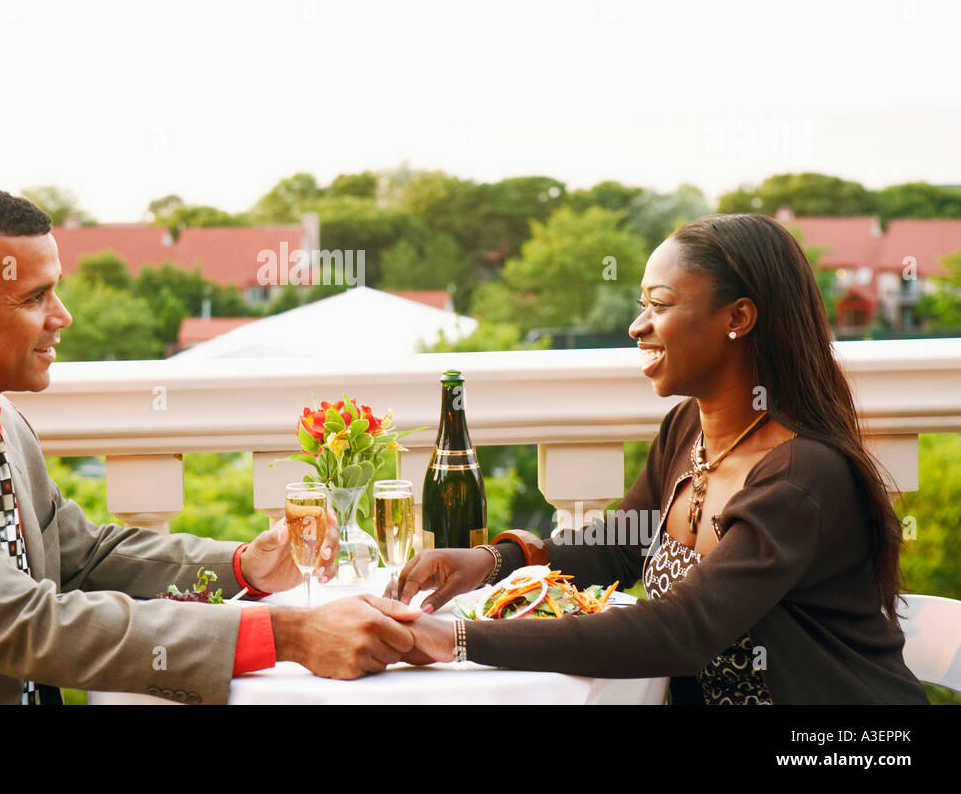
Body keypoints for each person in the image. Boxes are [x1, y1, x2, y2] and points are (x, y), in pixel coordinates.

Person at [0, 185, 417, 704]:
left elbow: (78, 554)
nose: (63, 316)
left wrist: (244, 564)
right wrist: (288, 634)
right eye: (36, 296)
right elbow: (26, 625)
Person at [394, 213, 928, 704]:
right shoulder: (687, 430)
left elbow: (682, 630)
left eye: (661, 304)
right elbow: (619, 546)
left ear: (737, 317)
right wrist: (491, 562)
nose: (638, 326)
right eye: (640, 305)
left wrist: (454, 639)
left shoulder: (800, 476)